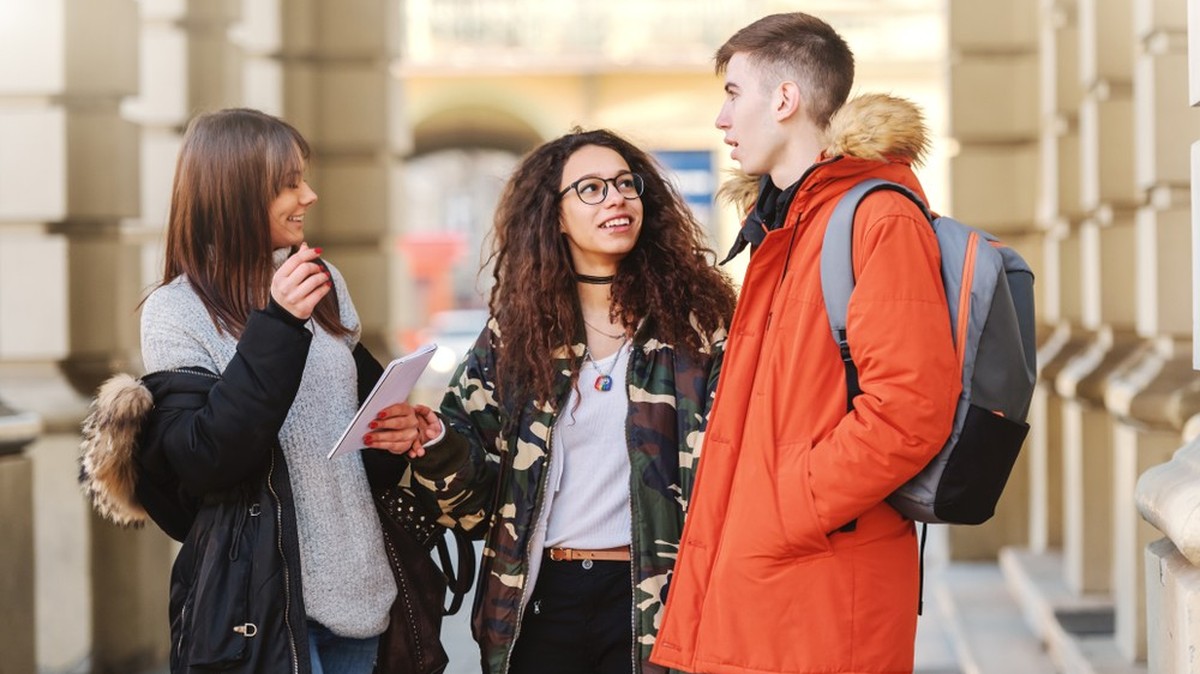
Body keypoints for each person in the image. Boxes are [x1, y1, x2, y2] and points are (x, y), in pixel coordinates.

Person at [649, 12, 962, 674]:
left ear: (785, 99)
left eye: (734, 94)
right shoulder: (789, 223)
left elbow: (909, 412)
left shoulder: (876, 219)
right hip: (774, 589)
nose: (721, 120)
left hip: (818, 588)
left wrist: (784, 508)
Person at [81, 108, 445, 673]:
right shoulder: (176, 310)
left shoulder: (321, 282)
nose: (311, 195)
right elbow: (205, 459)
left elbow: (350, 433)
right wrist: (276, 323)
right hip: (261, 611)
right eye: (290, 183)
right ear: (236, 193)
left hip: (363, 594)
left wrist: (396, 429)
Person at [365, 128, 738, 674]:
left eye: (624, 184)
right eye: (590, 188)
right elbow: (476, 509)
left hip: (660, 601)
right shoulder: (516, 336)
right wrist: (436, 441)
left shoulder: (697, 330)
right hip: (540, 601)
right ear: (555, 215)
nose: (615, 198)